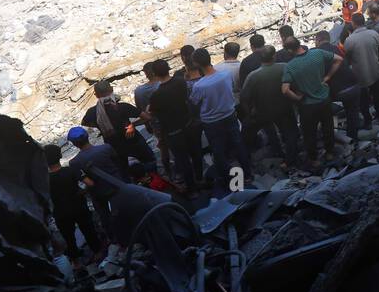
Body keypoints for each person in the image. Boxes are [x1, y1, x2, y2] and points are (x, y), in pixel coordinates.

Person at [187, 48, 252, 197]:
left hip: (211, 122)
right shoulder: (225, 75)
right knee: (238, 144)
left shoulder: (199, 86)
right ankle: (247, 175)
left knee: (218, 151)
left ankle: (230, 182)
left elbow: (193, 103)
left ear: (196, 63)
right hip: (229, 115)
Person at [281, 34, 343, 165]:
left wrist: (297, 97)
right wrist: (327, 77)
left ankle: (314, 158)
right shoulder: (318, 53)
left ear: (289, 50)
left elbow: (285, 90)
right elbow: (339, 59)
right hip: (324, 98)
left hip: (307, 105)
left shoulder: (290, 66)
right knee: (328, 126)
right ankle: (330, 153)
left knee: (309, 133)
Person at [45, 143, 103, 268]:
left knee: (68, 238)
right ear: (60, 156)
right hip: (78, 207)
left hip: (61, 212)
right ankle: (98, 253)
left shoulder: (45, 180)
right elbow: (90, 183)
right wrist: (82, 192)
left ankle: (76, 262)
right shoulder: (71, 170)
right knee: (88, 230)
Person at [240, 47, 300, 165]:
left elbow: (244, 98)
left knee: (266, 131)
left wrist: (249, 114)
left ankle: (270, 154)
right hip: (284, 108)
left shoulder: (253, 76)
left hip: (263, 111)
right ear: (274, 56)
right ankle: (291, 160)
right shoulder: (284, 67)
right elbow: (295, 84)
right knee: (290, 134)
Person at [144, 59, 199, 191]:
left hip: (173, 131)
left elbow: (151, 113)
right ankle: (200, 179)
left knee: (183, 160)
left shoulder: (156, 95)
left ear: (154, 74)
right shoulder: (180, 81)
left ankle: (192, 189)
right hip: (188, 123)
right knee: (195, 153)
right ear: (168, 69)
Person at [80, 80, 155, 169]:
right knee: (150, 163)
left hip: (114, 148)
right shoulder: (123, 107)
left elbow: (84, 123)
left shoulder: (92, 112)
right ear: (112, 89)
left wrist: (100, 125)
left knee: (123, 171)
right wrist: (133, 125)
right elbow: (147, 117)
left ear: (96, 95)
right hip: (134, 141)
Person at [337, 13, 379, 137]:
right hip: (375, 71)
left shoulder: (350, 40)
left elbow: (347, 59)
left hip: (360, 75)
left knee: (363, 101)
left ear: (353, 23)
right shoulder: (374, 34)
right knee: (377, 97)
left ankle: (368, 121)